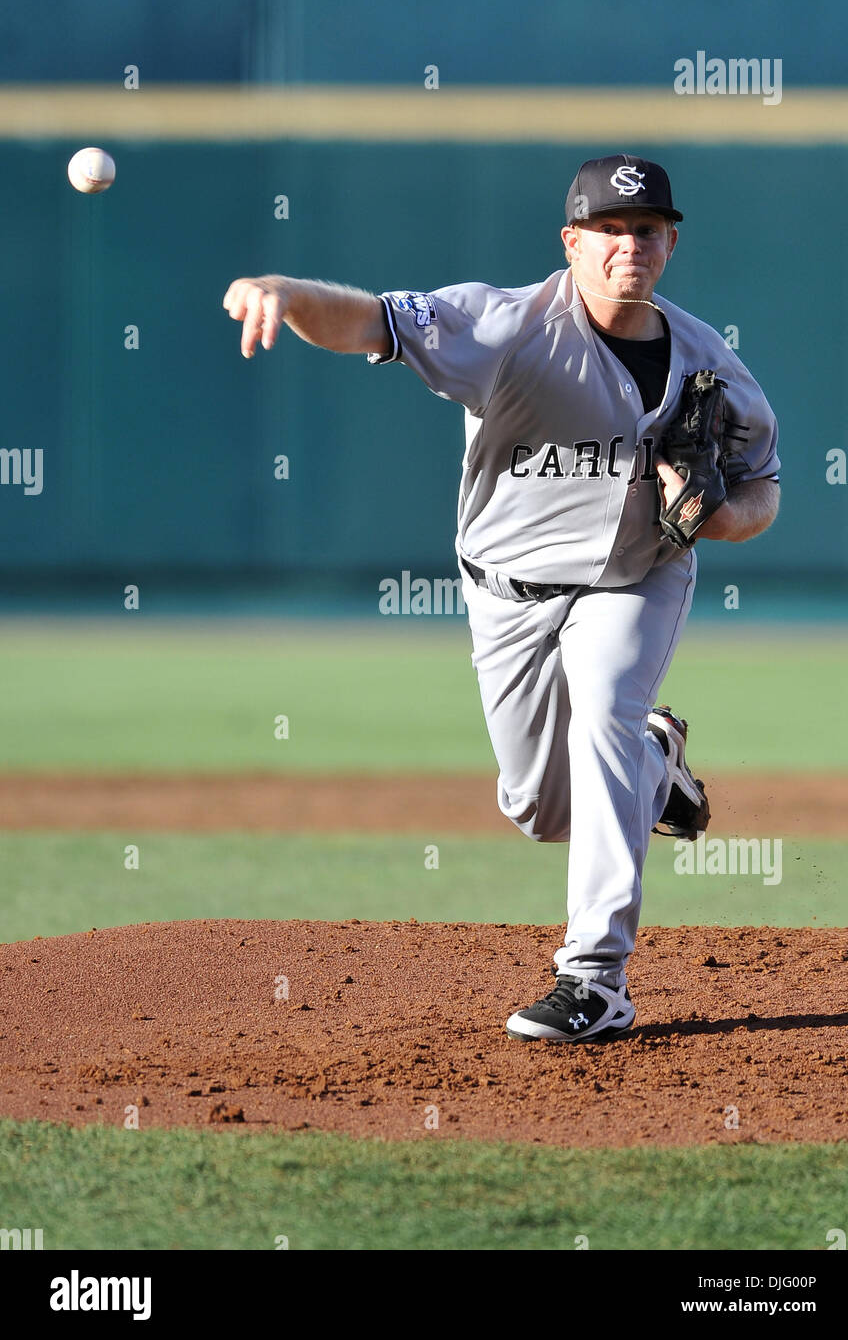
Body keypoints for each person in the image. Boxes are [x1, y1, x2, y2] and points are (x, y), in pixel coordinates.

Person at [223, 153, 781, 1043]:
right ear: (573, 242)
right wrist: (287, 292)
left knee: (602, 711)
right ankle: (657, 763)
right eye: (608, 229)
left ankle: (595, 979)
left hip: (636, 578)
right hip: (508, 592)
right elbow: (372, 321)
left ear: (669, 244)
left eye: (645, 230)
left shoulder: (710, 362)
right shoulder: (506, 326)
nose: (626, 245)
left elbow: (763, 492)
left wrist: (717, 516)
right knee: (539, 809)